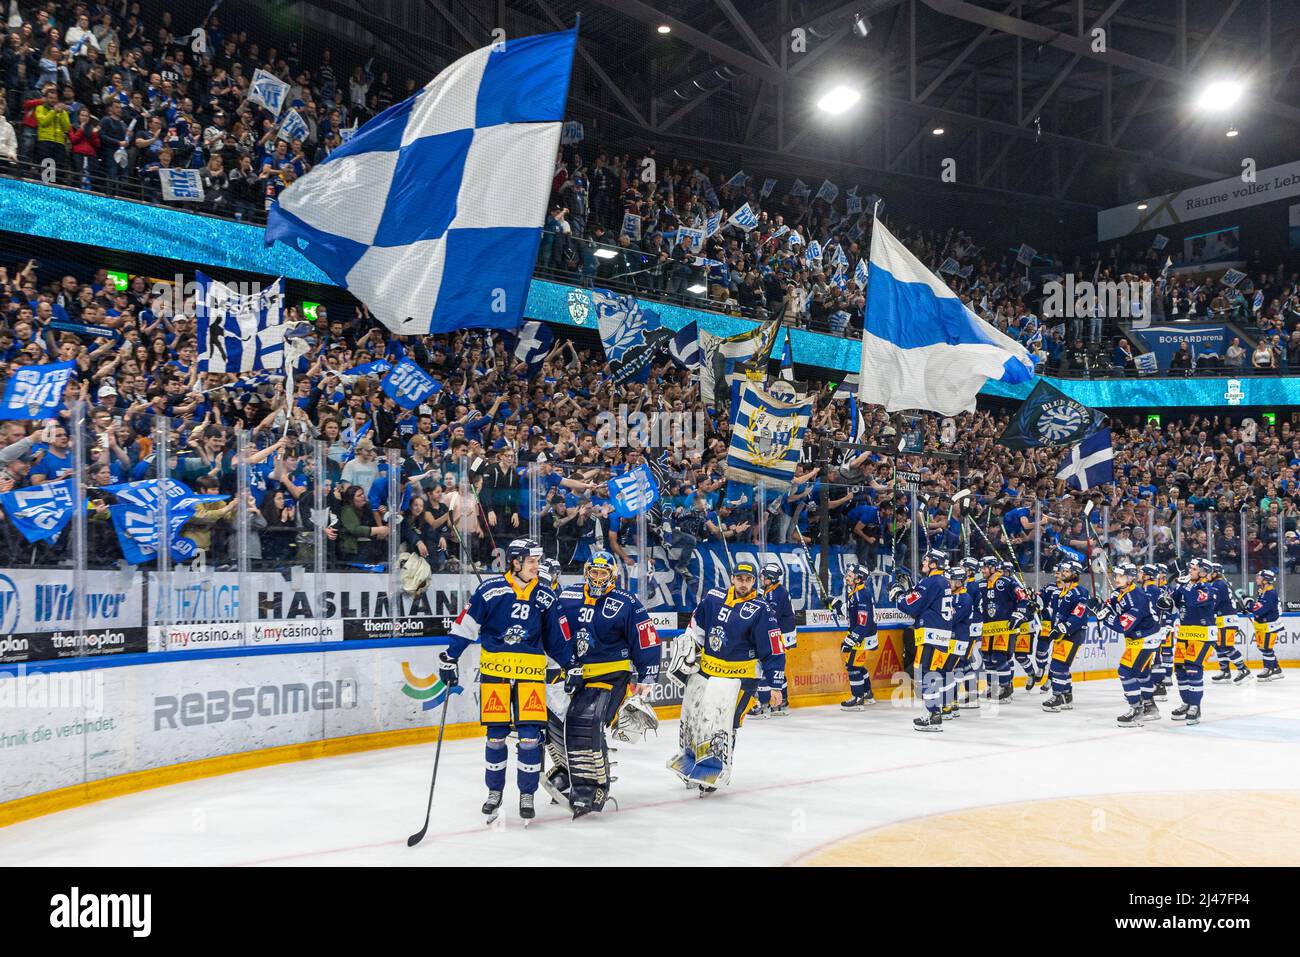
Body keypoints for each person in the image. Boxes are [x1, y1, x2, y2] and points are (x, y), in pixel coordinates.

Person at [438, 538, 574, 823]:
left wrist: (571, 665)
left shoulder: (545, 596)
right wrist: (450, 657)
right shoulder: (490, 591)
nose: (536, 566)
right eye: (531, 561)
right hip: (495, 675)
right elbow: (466, 625)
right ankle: (494, 792)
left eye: (538, 561)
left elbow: (557, 639)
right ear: (516, 562)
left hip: (530, 677)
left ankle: (527, 794)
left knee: (530, 739)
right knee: (496, 737)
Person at [546, 551, 661, 818]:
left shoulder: (627, 602)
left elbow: (645, 638)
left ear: (613, 575)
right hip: (574, 673)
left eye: (603, 573)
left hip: (611, 674)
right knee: (553, 721)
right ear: (587, 572)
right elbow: (550, 625)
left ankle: (593, 787)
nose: (598, 578)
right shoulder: (568, 596)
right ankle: (568, 770)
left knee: (584, 722)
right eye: (594, 572)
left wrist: (647, 677)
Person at [665, 560, 784, 794]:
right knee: (697, 720)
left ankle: (716, 768)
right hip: (708, 671)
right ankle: (693, 762)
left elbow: (773, 649)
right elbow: (696, 627)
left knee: (725, 724)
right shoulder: (714, 598)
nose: (743, 583)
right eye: (739, 578)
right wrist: (690, 647)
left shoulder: (762, 610)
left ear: (754, 581)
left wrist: (776, 685)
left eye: (748, 579)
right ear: (732, 578)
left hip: (742, 677)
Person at [892, 548, 953, 731]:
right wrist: (912, 589)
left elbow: (911, 606)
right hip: (939, 634)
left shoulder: (931, 581)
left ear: (934, 564)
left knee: (927, 674)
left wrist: (898, 594)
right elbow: (924, 603)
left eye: (926, 560)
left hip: (931, 635)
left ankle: (934, 716)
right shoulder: (942, 581)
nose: (923, 563)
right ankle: (931, 713)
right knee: (929, 674)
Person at [1100, 562, 1161, 726]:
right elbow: (1112, 606)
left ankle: (1136, 711)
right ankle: (1150, 707)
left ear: (1130, 578)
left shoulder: (1136, 597)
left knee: (1126, 671)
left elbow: (1122, 626)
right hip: (1142, 638)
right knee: (1141, 673)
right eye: (1116, 575)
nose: (1117, 579)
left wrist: (1106, 617)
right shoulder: (1122, 592)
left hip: (1145, 639)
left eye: (1121, 576)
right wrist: (1103, 607)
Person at [1171, 557, 1217, 725]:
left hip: (1202, 635)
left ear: (1204, 572)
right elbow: (1175, 602)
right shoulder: (1187, 585)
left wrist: (1185, 585)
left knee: (1193, 669)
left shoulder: (1208, 588)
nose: (1190, 571)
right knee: (1180, 669)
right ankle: (1187, 703)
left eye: (1194, 569)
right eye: (1190, 568)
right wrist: (1175, 588)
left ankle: (1195, 707)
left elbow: (1192, 602)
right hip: (1184, 633)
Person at [1041, 561, 1091, 712]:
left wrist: (1062, 628)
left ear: (1075, 574)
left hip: (1073, 633)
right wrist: (1037, 607)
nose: (1063, 573)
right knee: (1061, 666)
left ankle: (1057, 698)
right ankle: (1066, 697)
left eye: (1067, 571)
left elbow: (1078, 615)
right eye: (1063, 570)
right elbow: (1053, 612)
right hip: (1060, 633)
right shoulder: (1059, 592)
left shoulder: (1080, 592)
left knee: (1058, 665)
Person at [750, 560, 796, 718]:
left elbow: (769, 616)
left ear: (771, 578)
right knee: (777, 670)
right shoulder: (773, 590)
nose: (761, 579)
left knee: (765, 667)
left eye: (764, 577)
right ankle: (781, 703)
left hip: (779, 636)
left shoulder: (776, 594)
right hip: (782, 635)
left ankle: (764, 705)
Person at [978, 555, 1019, 701]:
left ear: (993, 568)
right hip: (987, 627)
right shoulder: (980, 584)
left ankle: (1006, 687)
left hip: (1005, 627)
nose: (982, 571)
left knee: (999, 658)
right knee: (987, 659)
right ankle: (992, 687)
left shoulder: (1007, 582)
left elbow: (1022, 599)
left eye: (984, 568)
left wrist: (1019, 614)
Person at [839, 561, 877, 711]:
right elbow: (852, 612)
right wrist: (835, 604)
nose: (847, 577)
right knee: (857, 665)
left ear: (858, 579)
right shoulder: (856, 592)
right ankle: (867, 693)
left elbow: (863, 623)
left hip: (862, 637)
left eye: (850, 575)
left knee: (852, 666)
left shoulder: (862, 595)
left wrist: (851, 640)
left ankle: (858, 699)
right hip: (861, 635)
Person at [943, 558, 977, 717]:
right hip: (951, 639)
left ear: (959, 582)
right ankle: (953, 703)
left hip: (958, 640)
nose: (947, 583)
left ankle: (950, 704)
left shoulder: (964, 598)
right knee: (952, 670)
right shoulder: (952, 595)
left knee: (950, 671)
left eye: (950, 581)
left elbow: (951, 619)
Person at [1208, 561, 1252, 683]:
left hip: (1227, 620)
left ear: (1215, 573)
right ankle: (1225, 671)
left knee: (1226, 646)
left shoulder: (1217, 585)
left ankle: (1243, 669)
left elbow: (1213, 604)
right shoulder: (1219, 584)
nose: (1207, 574)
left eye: (1209, 572)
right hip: (1222, 620)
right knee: (1219, 646)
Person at [1026, 571, 1060, 692]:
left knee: (1058, 656)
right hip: (1046, 625)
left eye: (1060, 572)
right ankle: (1042, 667)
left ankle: (1050, 679)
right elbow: (1040, 597)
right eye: (1057, 572)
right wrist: (1032, 596)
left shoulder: (1072, 591)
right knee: (1040, 652)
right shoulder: (1050, 587)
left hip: (1062, 627)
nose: (1056, 575)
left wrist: (1041, 609)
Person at [1249, 569, 1284, 681]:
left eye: (1259, 577)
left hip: (1271, 625)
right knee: (1263, 647)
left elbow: (1260, 610)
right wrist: (1250, 606)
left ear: (1266, 580)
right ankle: (1276, 669)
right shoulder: (1263, 590)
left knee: (1266, 648)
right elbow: (1258, 607)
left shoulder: (1270, 593)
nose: (1257, 579)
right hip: (1264, 624)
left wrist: (1249, 604)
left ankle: (1268, 669)